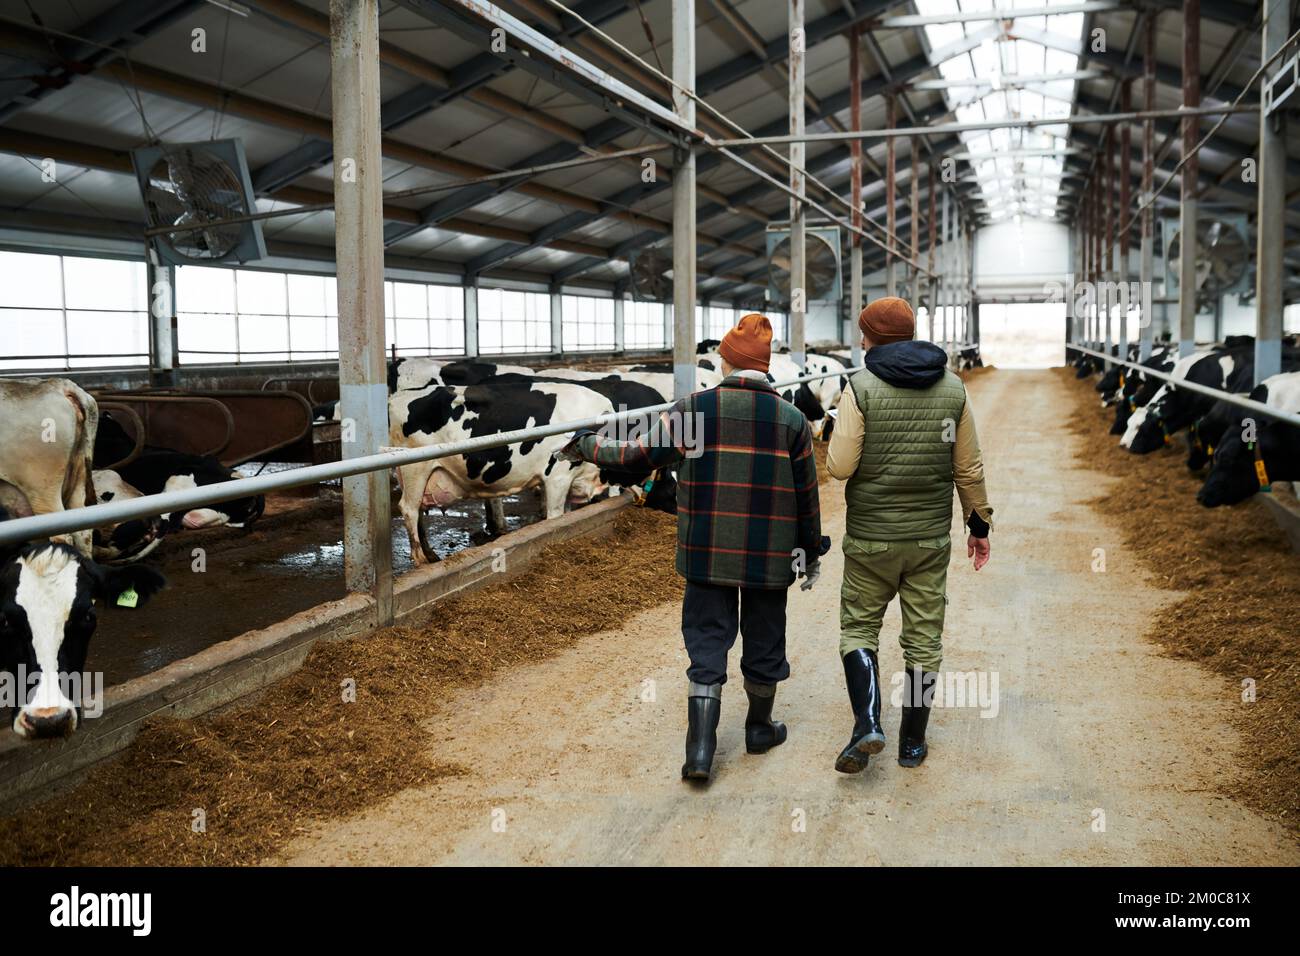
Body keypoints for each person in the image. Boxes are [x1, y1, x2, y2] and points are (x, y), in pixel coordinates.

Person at [560, 314, 822, 781]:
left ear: (727, 362)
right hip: (768, 556)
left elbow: (638, 456)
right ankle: (759, 730)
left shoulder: (693, 411)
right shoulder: (791, 420)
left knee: (707, 639)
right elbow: (807, 498)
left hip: (707, 551)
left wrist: (586, 445)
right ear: (764, 367)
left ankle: (699, 752)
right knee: (765, 639)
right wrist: (809, 552)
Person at [825, 296, 993, 774]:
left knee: (859, 628)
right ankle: (912, 744)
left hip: (870, 539)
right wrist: (978, 526)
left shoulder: (860, 387)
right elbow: (969, 468)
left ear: (875, 337)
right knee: (923, 640)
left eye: (864, 333)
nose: (859, 340)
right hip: (928, 541)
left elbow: (839, 468)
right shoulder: (953, 388)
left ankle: (868, 724)